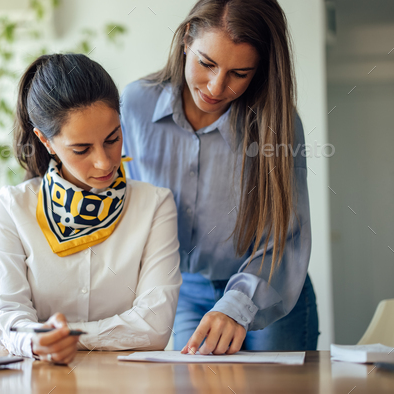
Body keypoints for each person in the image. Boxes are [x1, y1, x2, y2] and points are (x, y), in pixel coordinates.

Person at [121, 0, 319, 355]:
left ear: (259, 70)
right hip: (185, 293)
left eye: (239, 74)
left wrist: (237, 304)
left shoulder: (279, 124)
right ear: (185, 40)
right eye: (206, 63)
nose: (215, 87)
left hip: (267, 294)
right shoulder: (135, 104)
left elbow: (287, 236)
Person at [0, 53, 182, 364]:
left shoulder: (155, 205)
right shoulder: (12, 208)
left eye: (112, 138)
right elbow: (8, 316)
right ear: (46, 141)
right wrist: (31, 339)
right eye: (81, 149)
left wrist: (48, 339)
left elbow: (156, 327)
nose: (105, 161)